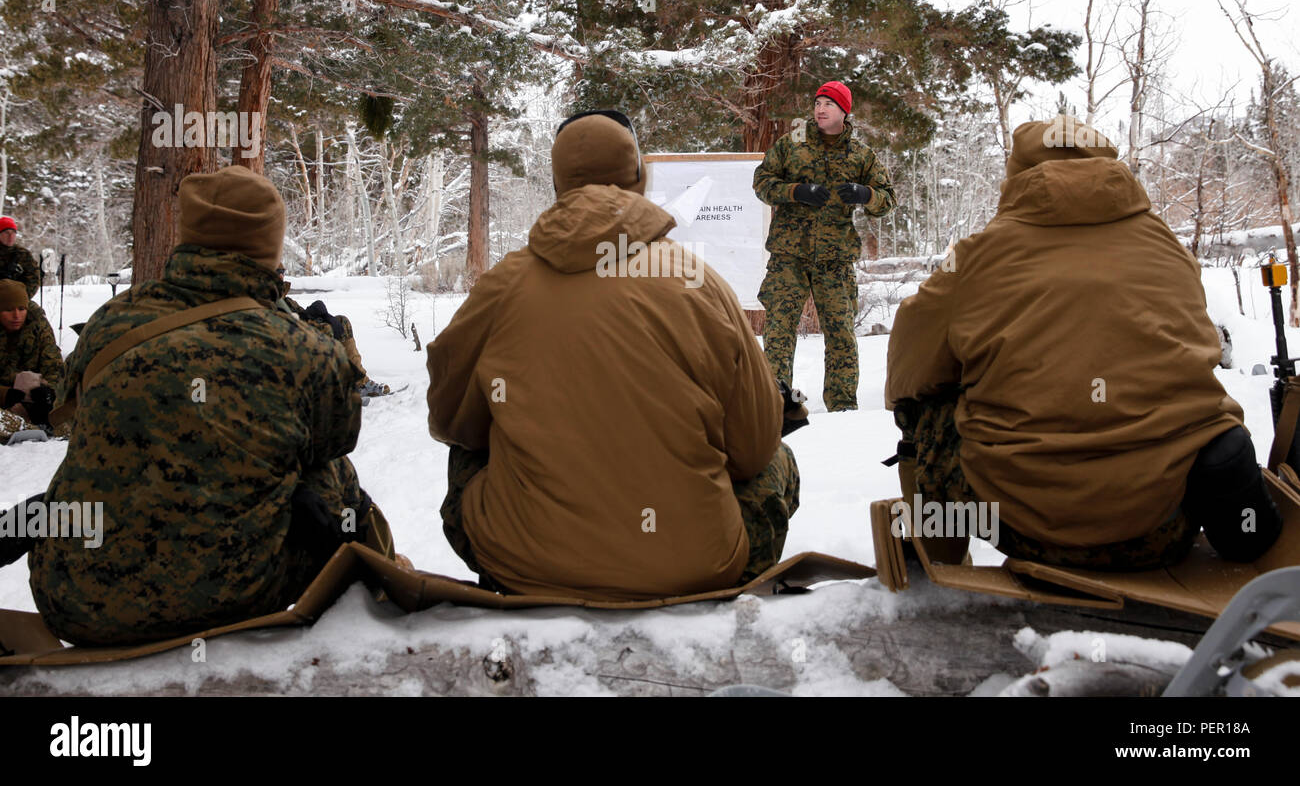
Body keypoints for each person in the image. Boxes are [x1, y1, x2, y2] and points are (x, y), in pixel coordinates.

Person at [427, 110, 800, 600]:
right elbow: (752, 447)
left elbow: (452, 422)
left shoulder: (503, 285)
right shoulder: (698, 282)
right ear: (640, 180)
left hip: (523, 564)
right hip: (696, 566)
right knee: (778, 457)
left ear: (558, 183)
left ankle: (529, 557)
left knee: (469, 454)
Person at [885, 116, 1283, 570]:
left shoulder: (978, 255)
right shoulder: (1167, 247)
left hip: (1020, 525)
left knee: (917, 406)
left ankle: (939, 562)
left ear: (1017, 176)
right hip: (1165, 523)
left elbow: (908, 370)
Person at [27, 166, 396, 645]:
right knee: (332, 474)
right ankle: (381, 609)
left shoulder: (112, 320)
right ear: (270, 246)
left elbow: (69, 416)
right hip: (236, 594)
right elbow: (335, 439)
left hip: (77, 602)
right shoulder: (308, 349)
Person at [753, 81, 896, 412]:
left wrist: (865, 195)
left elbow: (888, 199)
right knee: (778, 332)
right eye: (817, 103)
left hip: (835, 259)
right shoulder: (791, 145)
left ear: (844, 111)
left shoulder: (861, 154)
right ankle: (775, 404)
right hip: (789, 256)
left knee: (841, 333)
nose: (820, 109)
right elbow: (762, 183)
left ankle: (842, 406)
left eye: (828, 104)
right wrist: (796, 191)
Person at [274, 269, 389, 398]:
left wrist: (321, 315)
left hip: (300, 335)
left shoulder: (287, 301)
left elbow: (300, 316)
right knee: (325, 330)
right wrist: (314, 321)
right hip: (287, 344)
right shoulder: (268, 299)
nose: (281, 275)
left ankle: (360, 383)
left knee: (342, 322)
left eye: (283, 271)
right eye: (277, 271)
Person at [0, 279, 64, 432]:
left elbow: (54, 367)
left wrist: (49, 393)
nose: (16, 315)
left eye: (22, 309)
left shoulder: (38, 327)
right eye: (8, 310)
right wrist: (4, 394)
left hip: (31, 398)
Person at [0, 216, 41, 298]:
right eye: (7, 233)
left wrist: (22, 297)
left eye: (13, 233)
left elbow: (33, 279)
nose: (10, 236)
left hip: (18, 298)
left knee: (36, 311)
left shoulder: (23, 254)